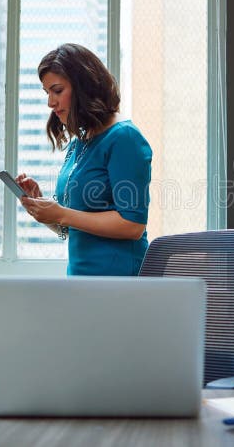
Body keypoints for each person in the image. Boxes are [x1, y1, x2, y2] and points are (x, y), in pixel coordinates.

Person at [15, 43, 152, 276]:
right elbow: (74, 227)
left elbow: (133, 226)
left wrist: (60, 213)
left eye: (57, 91)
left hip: (120, 282)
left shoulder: (124, 137)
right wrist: (44, 210)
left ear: (84, 87)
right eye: (47, 93)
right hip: (80, 281)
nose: (50, 102)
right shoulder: (80, 143)